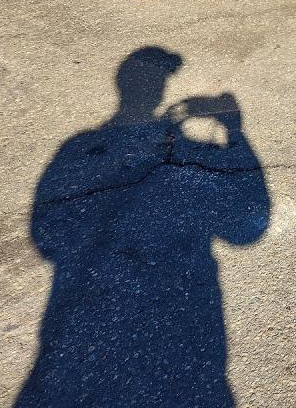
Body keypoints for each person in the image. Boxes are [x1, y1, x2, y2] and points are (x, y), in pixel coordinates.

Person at [15, 47, 271, 408]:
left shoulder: (78, 148)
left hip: (78, 351)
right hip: (182, 350)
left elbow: (46, 236)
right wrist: (234, 133)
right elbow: (247, 227)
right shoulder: (95, 149)